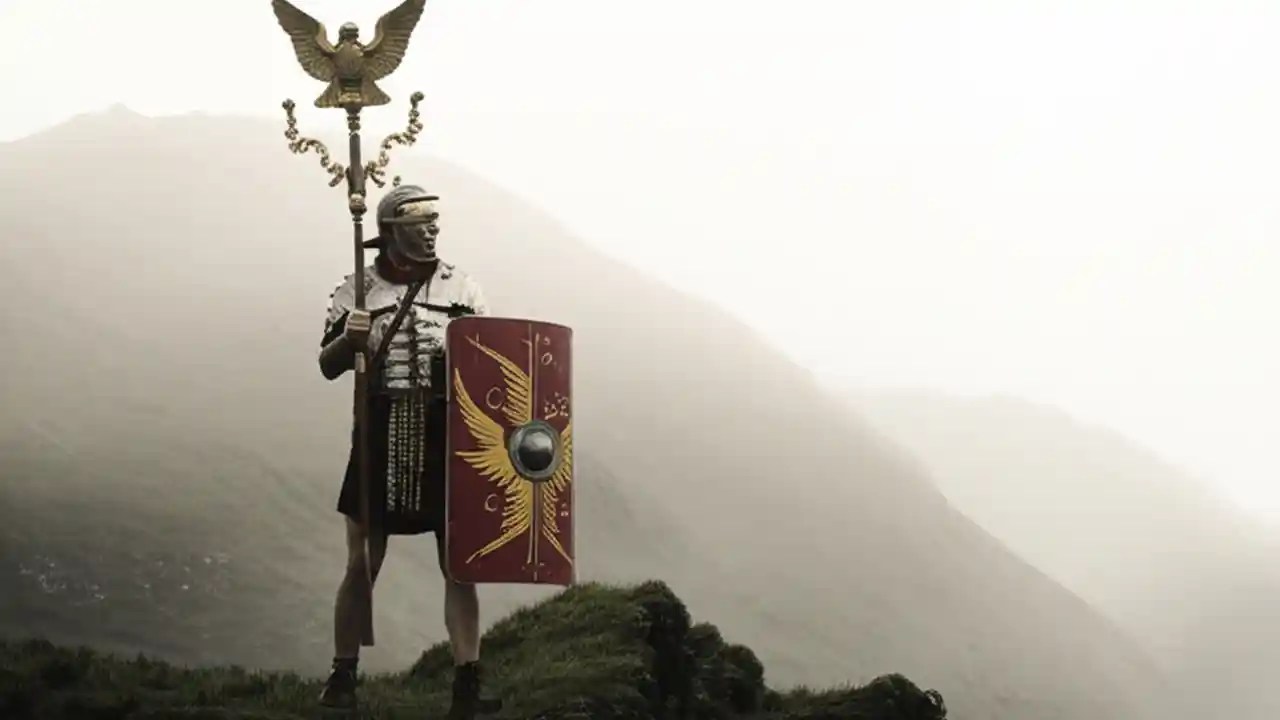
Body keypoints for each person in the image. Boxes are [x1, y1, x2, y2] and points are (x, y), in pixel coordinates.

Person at [316, 184, 502, 718]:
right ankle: (343, 675)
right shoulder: (357, 289)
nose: (433, 231)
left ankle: (467, 682)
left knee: (460, 565)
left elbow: (491, 363)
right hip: (380, 426)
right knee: (362, 562)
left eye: (435, 222)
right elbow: (328, 366)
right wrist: (349, 340)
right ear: (393, 230)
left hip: (447, 431)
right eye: (420, 223)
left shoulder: (463, 287)